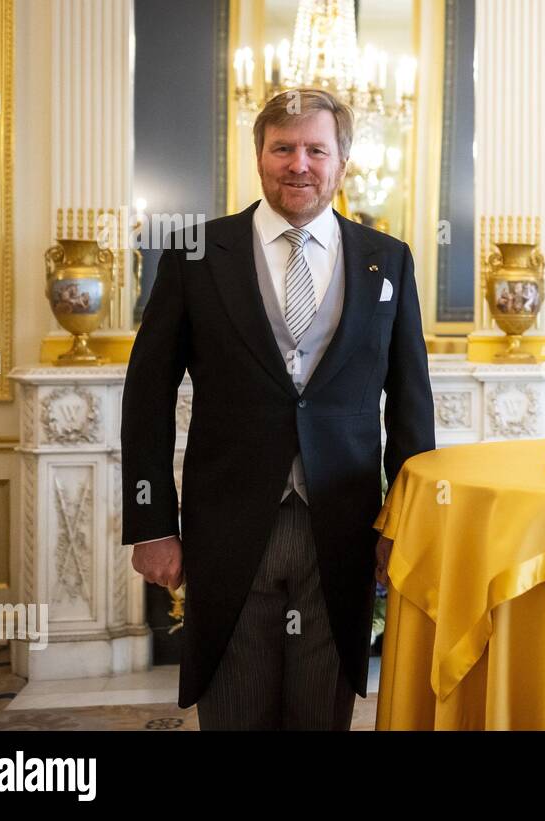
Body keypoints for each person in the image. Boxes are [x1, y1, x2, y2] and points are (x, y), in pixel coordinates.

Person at [121, 88, 434, 730]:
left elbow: (410, 407)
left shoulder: (388, 260)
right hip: (227, 525)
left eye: (317, 149)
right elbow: (147, 397)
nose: (300, 164)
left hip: (345, 528)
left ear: (342, 162)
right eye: (283, 148)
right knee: (234, 706)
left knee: (323, 711)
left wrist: (406, 525)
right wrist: (151, 524)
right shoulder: (195, 254)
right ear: (259, 157)